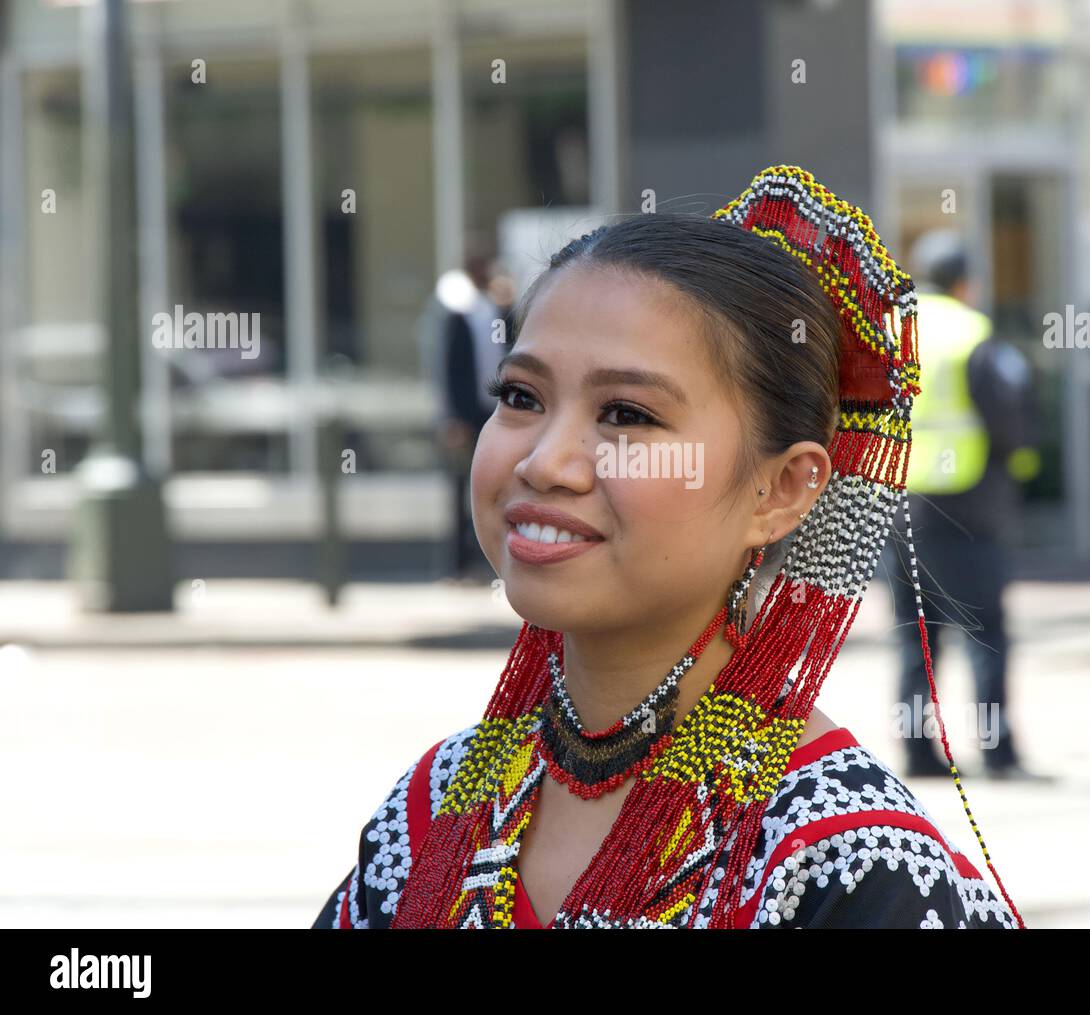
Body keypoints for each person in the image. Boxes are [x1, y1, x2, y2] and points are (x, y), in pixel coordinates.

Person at [313, 166, 1023, 929]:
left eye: (626, 414)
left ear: (780, 490)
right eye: (521, 397)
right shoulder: (432, 810)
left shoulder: (846, 863)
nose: (545, 462)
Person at [882, 229, 1052, 784]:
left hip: (897, 501)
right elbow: (1008, 416)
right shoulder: (971, 331)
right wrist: (1020, 464)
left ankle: (916, 752)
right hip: (965, 504)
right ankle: (997, 751)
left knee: (915, 636)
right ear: (965, 283)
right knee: (984, 633)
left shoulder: (889, 330)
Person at [437, 251, 516, 581]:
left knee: (506, 485)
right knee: (463, 488)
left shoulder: (502, 310)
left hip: (501, 409)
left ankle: (499, 562)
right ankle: (460, 564)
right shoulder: (459, 315)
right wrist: (453, 417)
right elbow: (450, 370)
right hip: (468, 414)